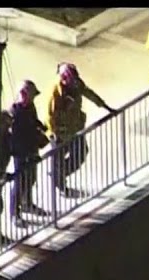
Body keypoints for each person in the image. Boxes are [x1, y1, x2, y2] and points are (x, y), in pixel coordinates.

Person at [46, 63, 116, 197]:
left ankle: (58, 174)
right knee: (58, 158)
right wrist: (53, 132)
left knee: (81, 153)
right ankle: (60, 184)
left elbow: (89, 94)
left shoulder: (77, 84)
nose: (74, 83)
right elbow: (49, 115)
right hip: (60, 132)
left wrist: (106, 107)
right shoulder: (56, 92)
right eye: (71, 80)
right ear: (63, 79)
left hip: (75, 127)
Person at [8, 79, 50, 219]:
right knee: (20, 181)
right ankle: (15, 212)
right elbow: (14, 136)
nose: (33, 98)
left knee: (31, 178)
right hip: (20, 152)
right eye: (31, 94)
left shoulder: (31, 107)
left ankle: (28, 203)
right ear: (24, 94)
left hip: (32, 148)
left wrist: (44, 129)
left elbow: (34, 121)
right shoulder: (14, 112)